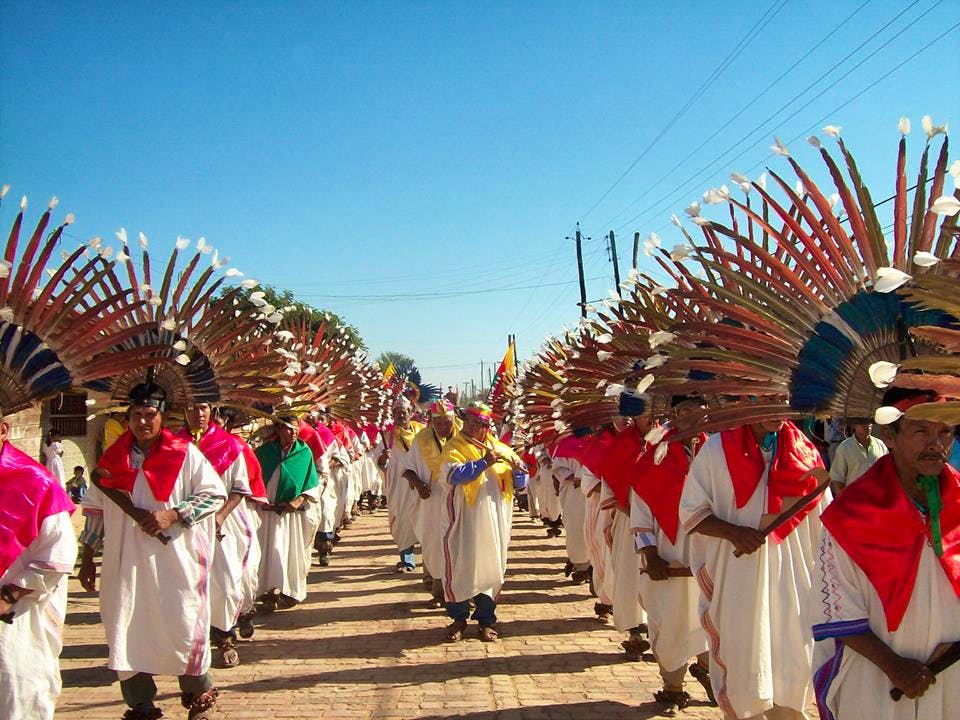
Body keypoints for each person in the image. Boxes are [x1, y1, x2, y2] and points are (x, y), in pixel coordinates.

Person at [78, 382, 227, 720]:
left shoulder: (186, 453)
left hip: (176, 562)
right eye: (136, 416)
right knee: (126, 627)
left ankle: (198, 695)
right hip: (125, 565)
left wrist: (172, 515)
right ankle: (140, 704)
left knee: (183, 625)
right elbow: (96, 511)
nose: (143, 422)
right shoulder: (112, 459)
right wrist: (88, 554)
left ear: (162, 417)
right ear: (127, 418)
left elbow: (213, 495)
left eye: (150, 415)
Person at [813, 388, 958, 720]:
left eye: (945, 431)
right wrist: (894, 666)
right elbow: (837, 611)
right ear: (890, 436)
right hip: (875, 682)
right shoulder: (851, 517)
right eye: (921, 430)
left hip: (954, 680)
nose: (936, 443)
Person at [680, 417, 829, 720]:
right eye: (768, 397)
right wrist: (734, 532)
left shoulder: (806, 452)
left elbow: (825, 524)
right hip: (736, 580)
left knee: (793, 660)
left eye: (782, 398)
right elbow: (692, 512)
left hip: (792, 581)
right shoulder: (717, 451)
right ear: (750, 399)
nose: (777, 407)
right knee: (741, 661)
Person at [627, 396, 713, 714]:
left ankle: (709, 672)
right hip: (669, 550)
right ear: (674, 415)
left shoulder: (719, 451)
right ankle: (673, 687)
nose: (693, 415)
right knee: (672, 620)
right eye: (686, 410)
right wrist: (650, 552)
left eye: (699, 409)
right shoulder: (656, 452)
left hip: (711, 555)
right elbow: (642, 501)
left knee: (711, 619)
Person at [0, 410, 78, 720]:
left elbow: (57, 555)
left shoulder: (36, 482)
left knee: (15, 695)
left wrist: (9, 596)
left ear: (3, 430)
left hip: (17, 615)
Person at [177, 402, 261, 668]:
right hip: (182, 525)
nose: (197, 414)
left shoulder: (230, 445)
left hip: (222, 522)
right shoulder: (171, 445)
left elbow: (239, 488)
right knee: (185, 586)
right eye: (191, 409)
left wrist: (219, 517)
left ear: (211, 410)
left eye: (202, 408)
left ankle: (225, 637)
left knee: (225, 586)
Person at [439, 402, 526, 642]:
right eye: (469, 422)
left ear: (487, 427)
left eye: (479, 424)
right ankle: (458, 619)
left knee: (491, 568)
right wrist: (484, 462)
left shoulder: (501, 448)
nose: (472, 427)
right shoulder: (454, 447)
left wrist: (519, 472)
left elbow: (521, 484)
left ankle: (486, 620)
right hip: (464, 520)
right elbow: (454, 475)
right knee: (460, 564)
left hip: (495, 522)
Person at [254, 414, 320, 611]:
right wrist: (259, 500)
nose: (292, 433)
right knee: (266, 551)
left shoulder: (303, 452)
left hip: (291, 514)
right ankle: (267, 591)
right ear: (278, 430)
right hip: (266, 512)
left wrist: (297, 500)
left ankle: (289, 590)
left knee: (288, 551)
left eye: (294, 429)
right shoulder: (264, 452)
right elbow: (254, 478)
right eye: (287, 429)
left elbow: (311, 482)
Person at [403, 399, 458, 605]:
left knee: (459, 543)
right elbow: (407, 469)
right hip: (432, 502)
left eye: (447, 422)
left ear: (453, 419)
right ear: (432, 422)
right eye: (439, 423)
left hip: (459, 501)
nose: (444, 427)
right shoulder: (421, 440)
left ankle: (459, 592)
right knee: (434, 543)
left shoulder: (463, 437)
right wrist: (418, 484)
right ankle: (438, 590)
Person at [377, 398, 425, 572]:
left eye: (404, 412)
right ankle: (407, 560)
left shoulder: (422, 432)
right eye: (397, 413)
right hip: (399, 486)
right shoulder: (387, 436)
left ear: (411, 413)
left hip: (421, 483)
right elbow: (379, 462)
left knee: (425, 519)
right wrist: (383, 457)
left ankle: (430, 563)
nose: (401, 415)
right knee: (402, 521)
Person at [828, 418, 887, 497]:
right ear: (854, 426)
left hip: (876, 498)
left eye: (870, 422)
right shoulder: (845, 447)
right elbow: (837, 478)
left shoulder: (880, 445)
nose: (868, 425)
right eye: (862, 422)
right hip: (853, 499)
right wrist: (841, 499)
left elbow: (887, 472)